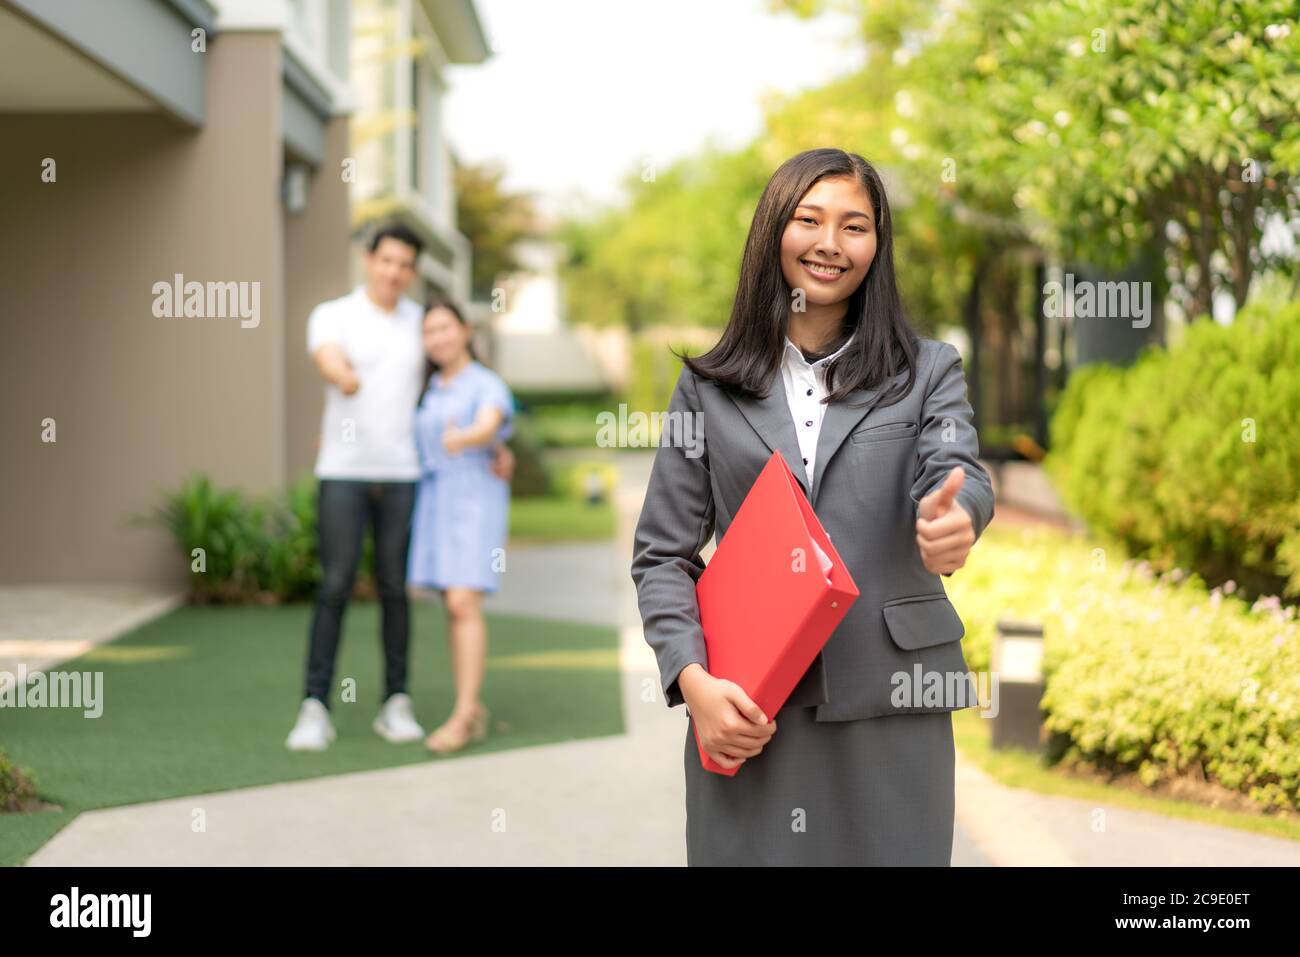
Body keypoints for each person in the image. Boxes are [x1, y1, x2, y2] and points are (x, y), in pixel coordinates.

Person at [630, 148, 995, 865]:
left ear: (877, 247)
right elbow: (662, 553)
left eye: (854, 226)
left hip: (894, 700)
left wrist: (958, 518)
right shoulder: (705, 389)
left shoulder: (928, 370)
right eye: (809, 220)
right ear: (774, 232)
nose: (830, 243)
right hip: (751, 706)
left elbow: (957, 469)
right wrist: (693, 681)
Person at [286, 224, 513, 751]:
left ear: (413, 272)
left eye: (405, 265)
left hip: (406, 476)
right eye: (386, 260)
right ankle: (315, 706)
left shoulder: (421, 326)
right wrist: (343, 377)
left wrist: (496, 444)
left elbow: (460, 385)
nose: (395, 272)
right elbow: (327, 357)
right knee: (336, 585)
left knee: (394, 589)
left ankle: (396, 701)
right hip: (344, 471)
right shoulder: (333, 314)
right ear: (369, 260)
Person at [407, 297, 515, 754]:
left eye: (445, 328)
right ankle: (470, 705)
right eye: (429, 331)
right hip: (436, 502)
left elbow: (490, 423)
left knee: (462, 601)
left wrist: (469, 437)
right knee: (454, 605)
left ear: (465, 330)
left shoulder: (484, 383)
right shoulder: (429, 388)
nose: (438, 338)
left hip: (475, 499)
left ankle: (466, 713)